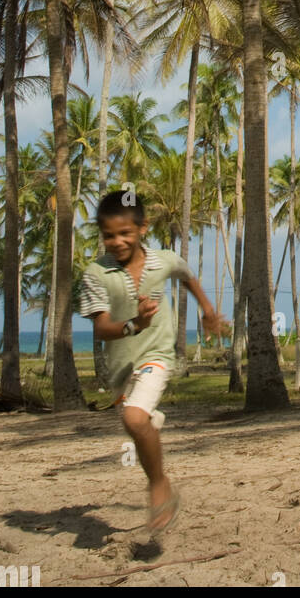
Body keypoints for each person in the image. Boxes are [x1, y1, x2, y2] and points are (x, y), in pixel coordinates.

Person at [80, 190, 228, 532]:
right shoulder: (95, 275)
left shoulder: (163, 260)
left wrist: (207, 311)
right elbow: (102, 328)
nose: (116, 241)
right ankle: (150, 422)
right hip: (121, 370)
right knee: (138, 421)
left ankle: (159, 484)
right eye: (108, 236)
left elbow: (186, 274)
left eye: (124, 233)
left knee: (133, 418)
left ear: (142, 228)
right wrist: (135, 323)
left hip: (158, 355)